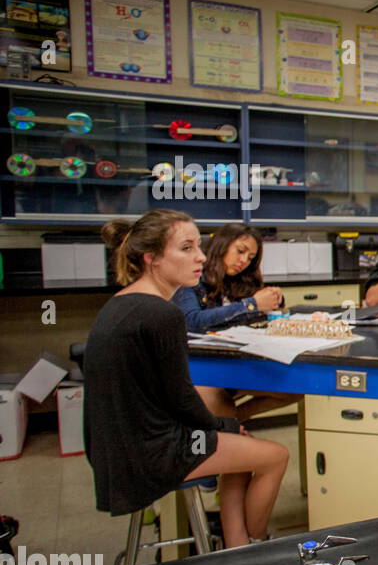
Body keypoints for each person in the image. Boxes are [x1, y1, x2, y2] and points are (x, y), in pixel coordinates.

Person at [85, 210, 289, 547]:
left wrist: (223, 427)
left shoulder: (123, 302)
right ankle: (254, 547)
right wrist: (224, 426)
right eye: (186, 248)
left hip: (118, 450)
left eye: (198, 245)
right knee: (275, 455)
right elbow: (180, 397)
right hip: (149, 454)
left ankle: (236, 545)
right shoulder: (162, 314)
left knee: (240, 448)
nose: (199, 256)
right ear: (152, 258)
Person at [172, 223, 295, 423]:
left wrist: (272, 302)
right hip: (200, 367)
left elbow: (246, 320)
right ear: (222, 244)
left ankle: (231, 423)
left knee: (292, 389)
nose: (244, 261)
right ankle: (227, 426)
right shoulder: (192, 276)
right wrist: (251, 304)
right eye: (240, 251)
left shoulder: (238, 280)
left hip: (233, 362)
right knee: (222, 410)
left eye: (251, 257)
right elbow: (192, 321)